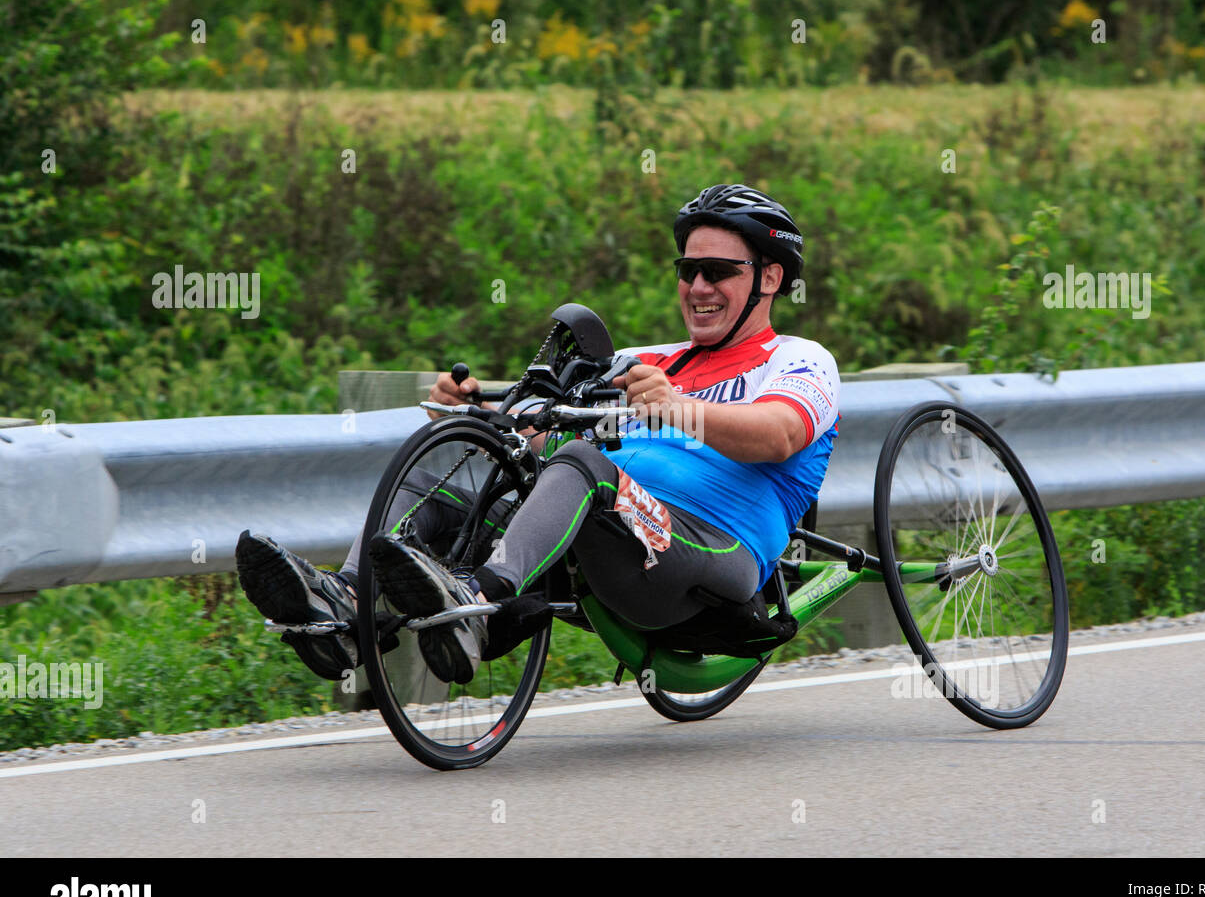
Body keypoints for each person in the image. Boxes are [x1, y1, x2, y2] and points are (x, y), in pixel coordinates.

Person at [236, 184, 840, 685]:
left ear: (769, 277)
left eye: (717, 271)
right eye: (688, 270)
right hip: (611, 536)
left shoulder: (796, 358)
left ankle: (476, 602)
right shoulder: (646, 358)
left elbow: (781, 434)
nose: (698, 287)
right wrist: (476, 408)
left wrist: (682, 408)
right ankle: (342, 604)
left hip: (711, 556)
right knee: (435, 489)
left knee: (583, 462)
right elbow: (539, 423)